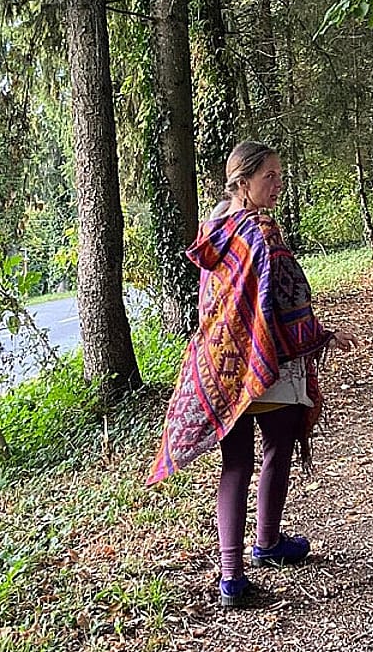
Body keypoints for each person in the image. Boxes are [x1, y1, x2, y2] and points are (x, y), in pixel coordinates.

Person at [147, 141, 358, 608]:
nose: (278, 183)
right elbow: (286, 294)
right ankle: (266, 543)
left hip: (222, 360)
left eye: (280, 174)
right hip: (266, 356)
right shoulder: (260, 228)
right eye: (269, 176)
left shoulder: (215, 225)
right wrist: (320, 334)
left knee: (236, 461)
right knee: (279, 443)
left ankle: (231, 576)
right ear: (243, 182)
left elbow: (217, 295)